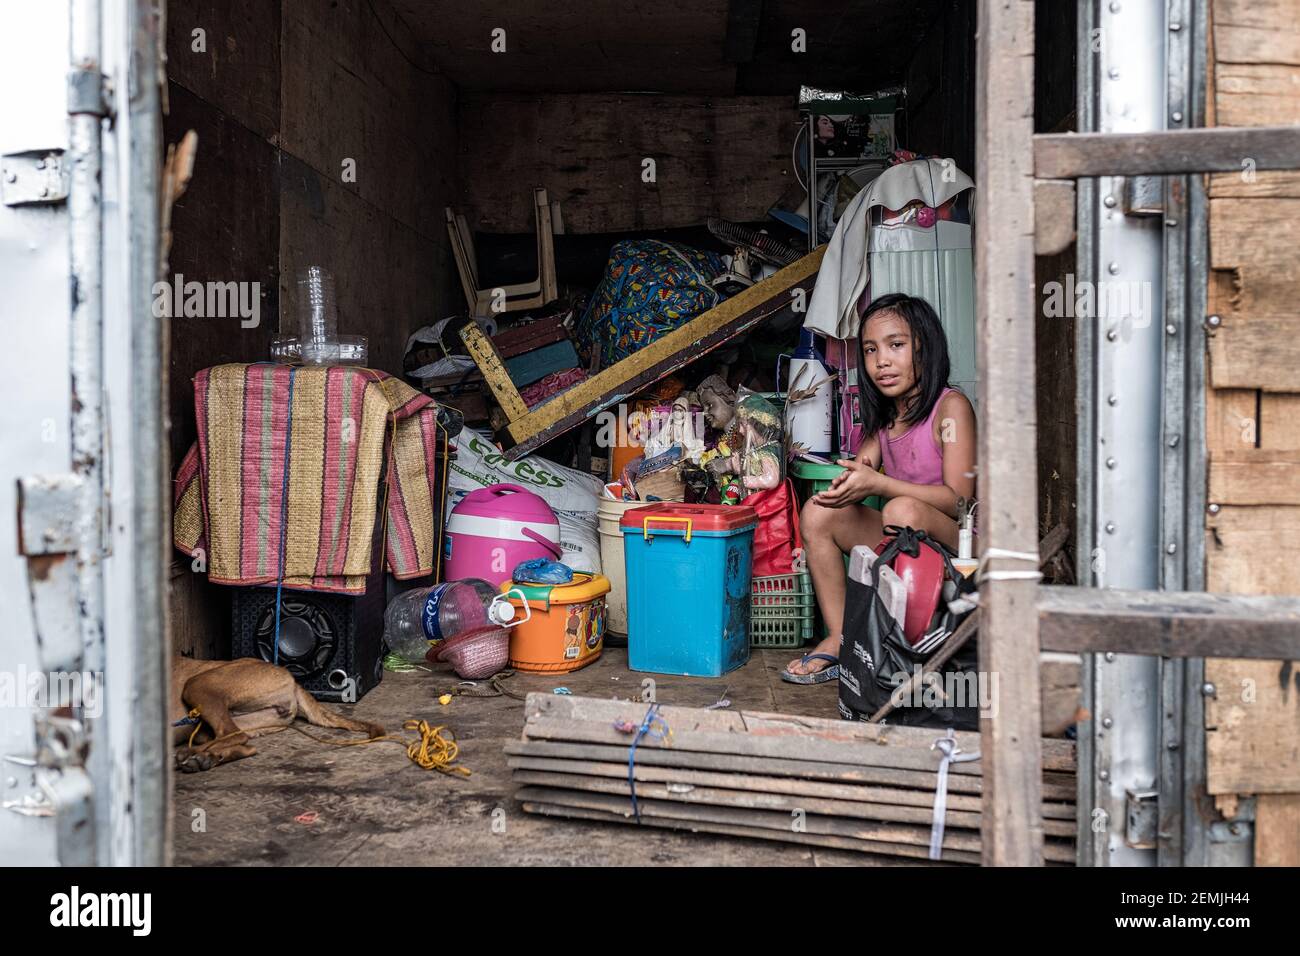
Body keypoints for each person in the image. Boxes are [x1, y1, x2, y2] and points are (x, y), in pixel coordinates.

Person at [782, 293, 977, 683]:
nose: (881, 361)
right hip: (901, 536)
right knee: (819, 513)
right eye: (870, 350)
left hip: (962, 548)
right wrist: (849, 482)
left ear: (925, 347)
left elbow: (961, 500)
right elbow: (862, 467)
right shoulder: (889, 419)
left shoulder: (950, 408)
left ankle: (893, 641)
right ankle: (840, 636)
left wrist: (880, 484)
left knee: (900, 509)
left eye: (896, 346)